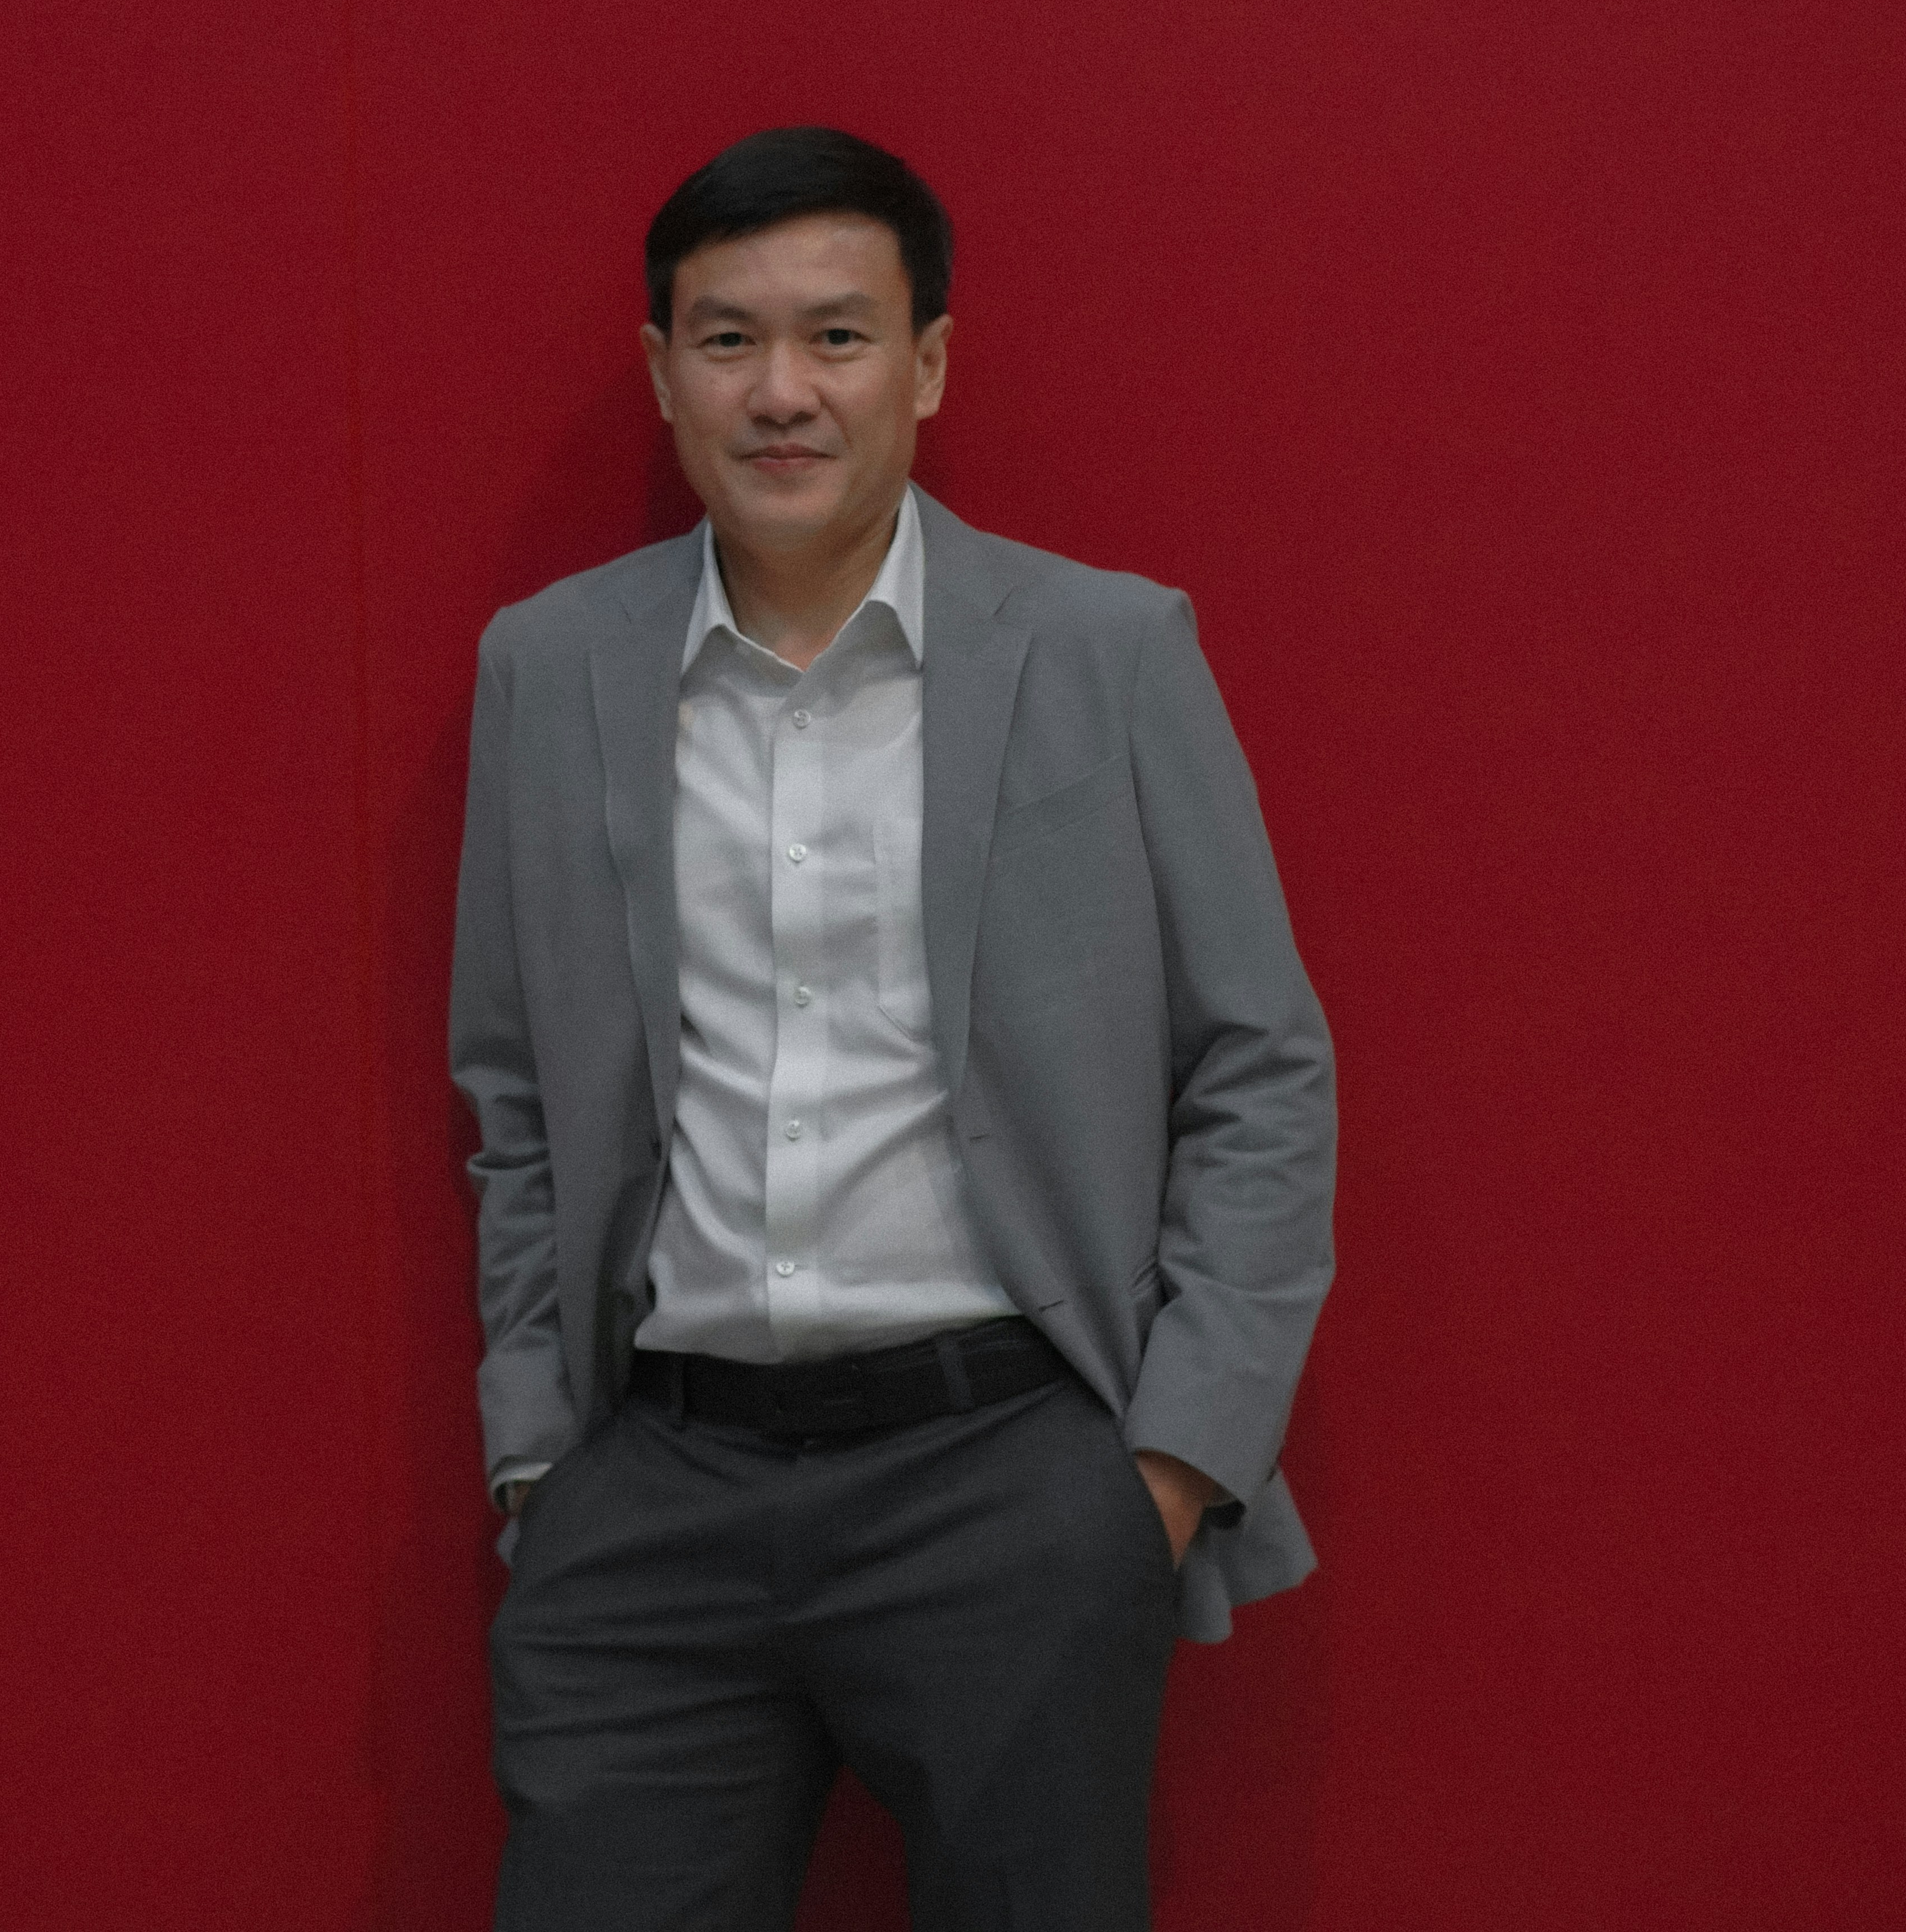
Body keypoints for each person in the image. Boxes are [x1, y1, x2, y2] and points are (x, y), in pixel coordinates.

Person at [450, 126, 1336, 1931]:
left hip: (1009, 1483)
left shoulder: (1106, 650)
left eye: (838, 337)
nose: (782, 391)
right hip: (656, 1496)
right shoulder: (548, 668)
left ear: (927, 366)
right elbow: (514, 1091)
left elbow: (1261, 1067)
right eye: (729, 339)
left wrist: (1166, 1475)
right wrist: (541, 1459)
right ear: (663, 372)